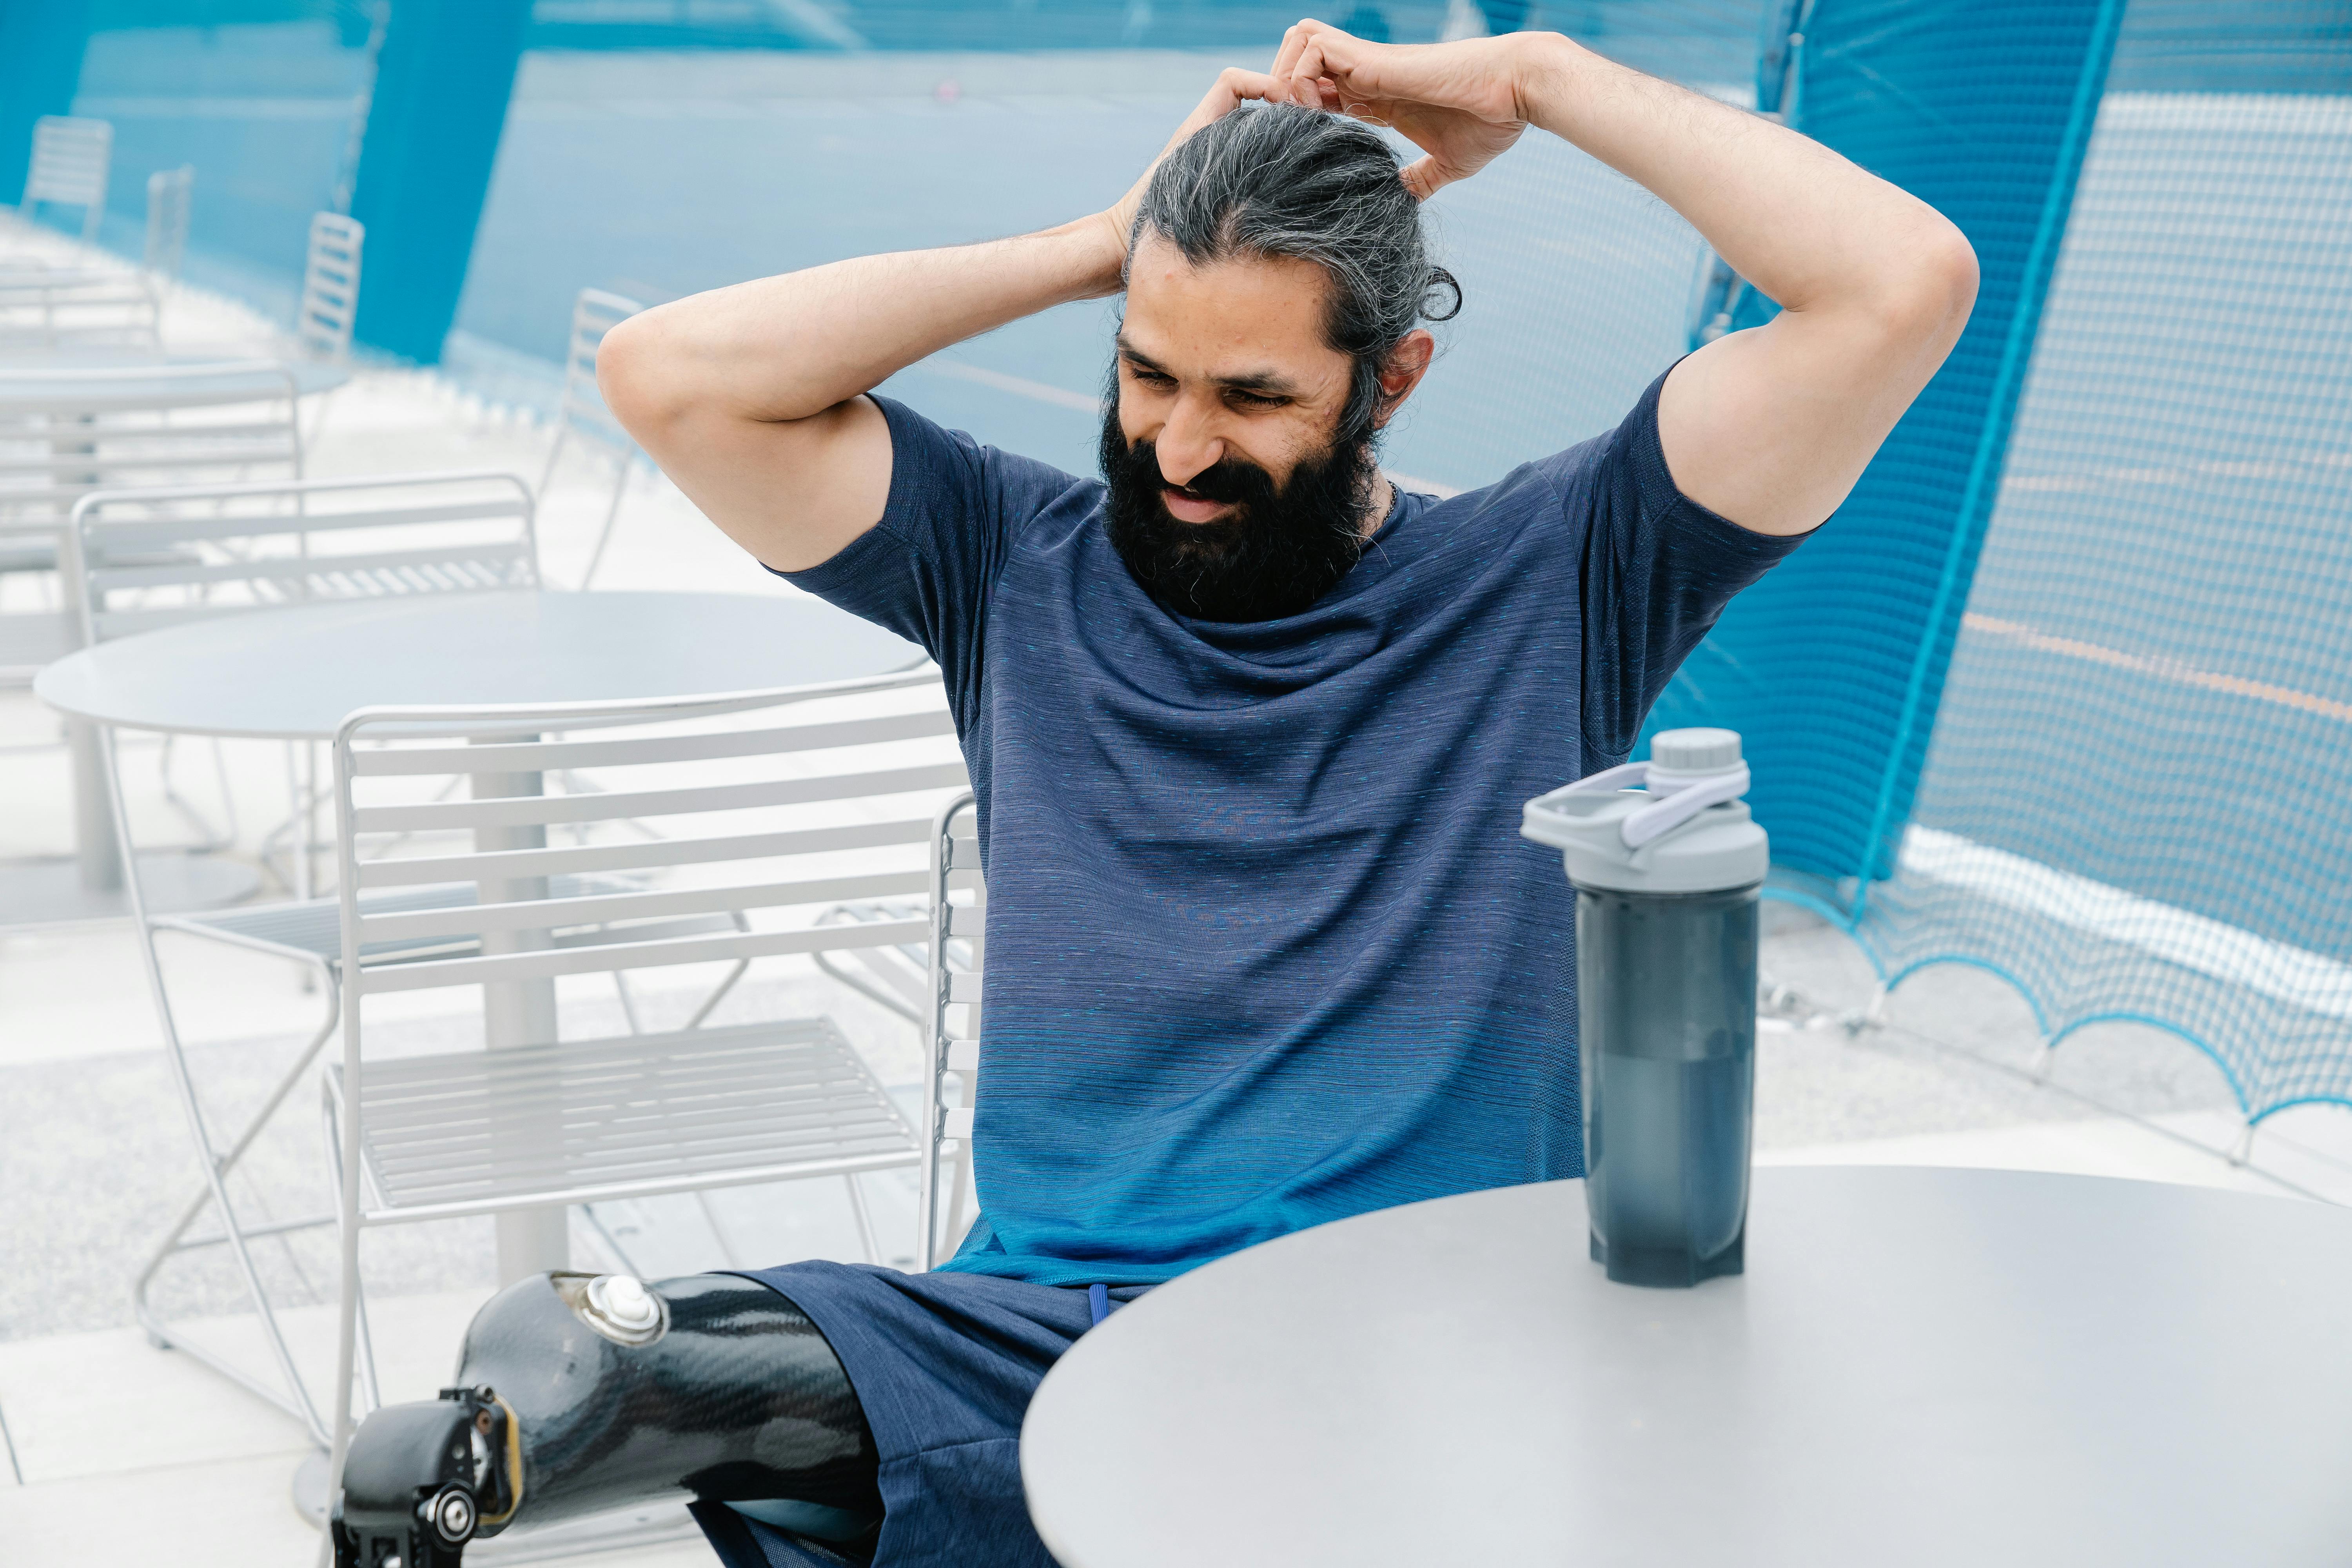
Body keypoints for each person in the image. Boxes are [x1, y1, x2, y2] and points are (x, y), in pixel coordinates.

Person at [330, 22, 1975, 1568]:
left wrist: (1538, 76)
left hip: (1428, 1342)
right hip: (1051, 1348)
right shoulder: (1007, 562)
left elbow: (1901, 284)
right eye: (1148, 372)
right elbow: (668, 376)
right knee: (595, 1345)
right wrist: (1091, 238)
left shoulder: (1565, 571)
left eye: (1253, 397)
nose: (1182, 446)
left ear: (1391, 381)